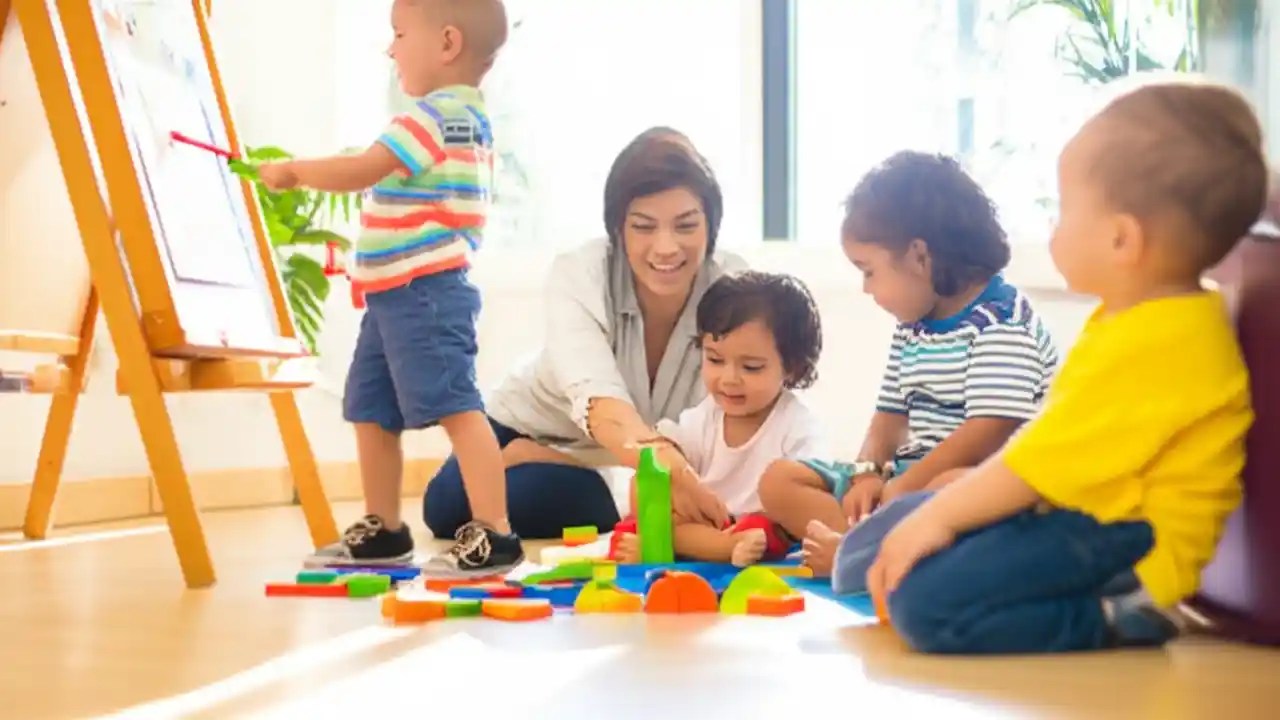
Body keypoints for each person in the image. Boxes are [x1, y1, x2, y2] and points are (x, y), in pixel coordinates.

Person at [867, 76, 1270, 653]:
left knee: (924, 602)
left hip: (1135, 546)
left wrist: (941, 518)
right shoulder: (1145, 319)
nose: (1053, 230)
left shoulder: (1160, 341)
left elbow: (1037, 464)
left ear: (1122, 240)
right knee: (895, 546)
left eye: (1062, 211)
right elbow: (1056, 445)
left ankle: (1113, 616)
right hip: (1094, 518)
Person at [260, 0, 523, 576]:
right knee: (371, 407)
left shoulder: (432, 116)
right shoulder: (466, 117)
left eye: (399, 34)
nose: (390, 48)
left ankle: (495, 532)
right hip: (396, 295)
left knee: (456, 405)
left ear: (447, 43)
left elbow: (364, 168)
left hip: (424, 293)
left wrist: (295, 171)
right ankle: (384, 528)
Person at [421, 127, 749, 541]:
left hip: (646, 460)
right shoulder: (581, 273)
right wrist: (671, 471)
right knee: (449, 503)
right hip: (531, 428)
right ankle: (608, 485)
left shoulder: (735, 290)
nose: (666, 247)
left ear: (710, 226)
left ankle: (581, 473)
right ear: (618, 229)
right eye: (644, 226)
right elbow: (599, 398)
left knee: (696, 496)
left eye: (686, 226)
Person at [758, 151, 1060, 576]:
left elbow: (988, 432)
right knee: (780, 479)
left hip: (975, 480)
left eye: (869, 271)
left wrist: (904, 487)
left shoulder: (1001, 322)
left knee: (943, 487)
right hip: (907, 477)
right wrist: (867, 472)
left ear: (920, 257)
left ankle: (862, 555)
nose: (866, 289)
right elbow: (889, 416)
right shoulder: (913, 327)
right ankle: (866, 546)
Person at [610, 271, 827, 566]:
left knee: (767, 531)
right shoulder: (704, 417)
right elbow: (659, 461)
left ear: (793, 368)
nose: (729, 379)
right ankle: (713, 547)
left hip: (756, 529)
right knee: (642, 493)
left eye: (751, 367)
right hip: (704, 525)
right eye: (715, 360)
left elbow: (809, 499)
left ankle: (668, 546)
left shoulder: (798, 425)